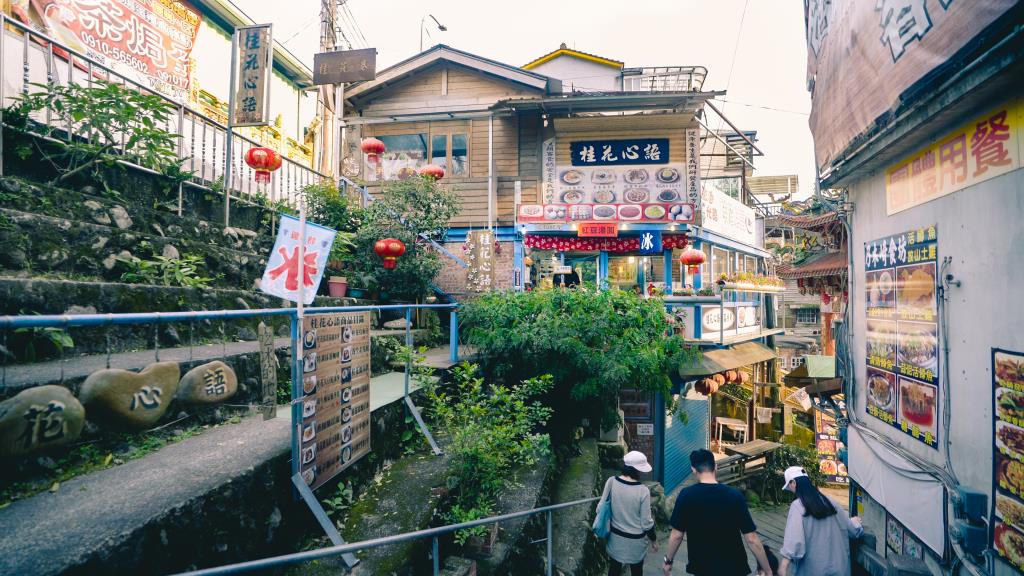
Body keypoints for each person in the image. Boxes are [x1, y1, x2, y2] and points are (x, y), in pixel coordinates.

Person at [662, 449, 774, 576]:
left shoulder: (686, 495)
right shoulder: (734, 495)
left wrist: (668, 561)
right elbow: (751, 538)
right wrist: (768, 569)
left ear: (693, 469)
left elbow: (677, 535)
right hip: (734, 568)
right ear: (716, 466)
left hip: (702, 568)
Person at [777, 466, 863, 576]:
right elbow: (852, 529)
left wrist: (783, 566)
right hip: (840, 569)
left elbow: (795, 542)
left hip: (813, 570)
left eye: (789, 486)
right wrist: (856, 522)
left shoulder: (797, 506)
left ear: (793, 482)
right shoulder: (831, 502)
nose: (791, 490)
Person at [596, 451, 658, 576]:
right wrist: (654, 540)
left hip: (615, 538)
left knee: (614, 568)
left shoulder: (611, 481)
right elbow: (646, 523)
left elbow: (600, 508)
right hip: (636, 542)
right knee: (636, 571)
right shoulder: (643, 491)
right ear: (637, 470)